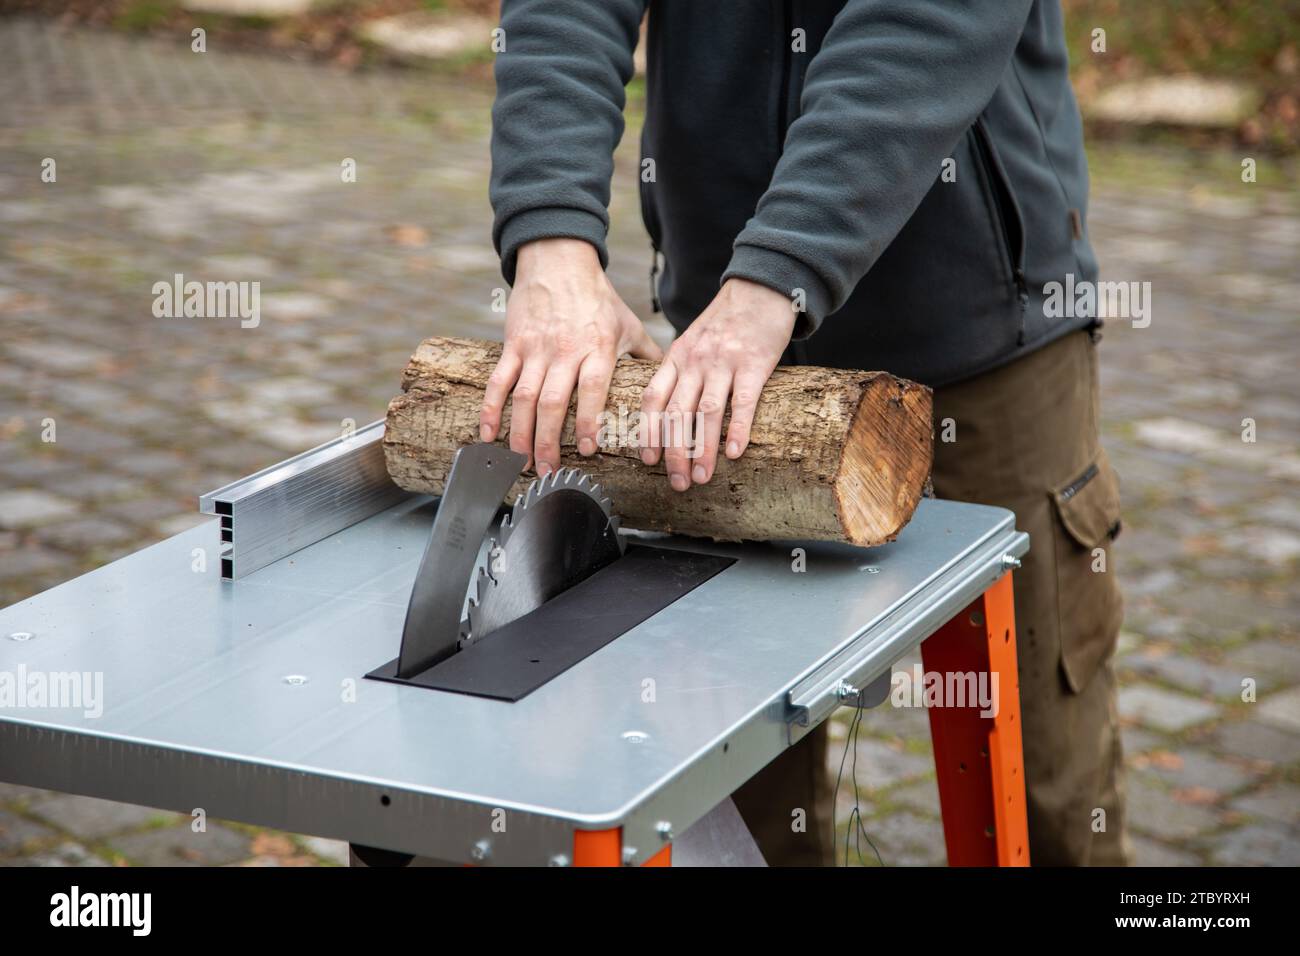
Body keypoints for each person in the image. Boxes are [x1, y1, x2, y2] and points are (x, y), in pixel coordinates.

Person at [481, 0, 1129, 866]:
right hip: (732, 351)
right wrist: (551, 232)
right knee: (736, 799)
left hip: (981, 337)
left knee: (1049, 799)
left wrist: (782, 269)